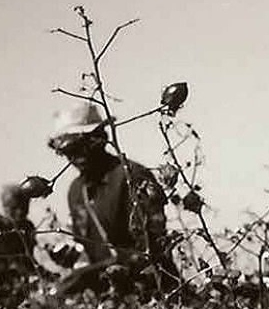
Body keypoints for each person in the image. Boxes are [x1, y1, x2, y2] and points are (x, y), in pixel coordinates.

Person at [46, 101, 179, 295]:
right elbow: (86, 250)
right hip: (108, 296)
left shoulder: (132, 176)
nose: (77, 157)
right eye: (70, 151)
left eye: (82, 147)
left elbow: (151, 248)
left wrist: (90, 274)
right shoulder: (76, 192)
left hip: (152, 290)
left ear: (99, 140)